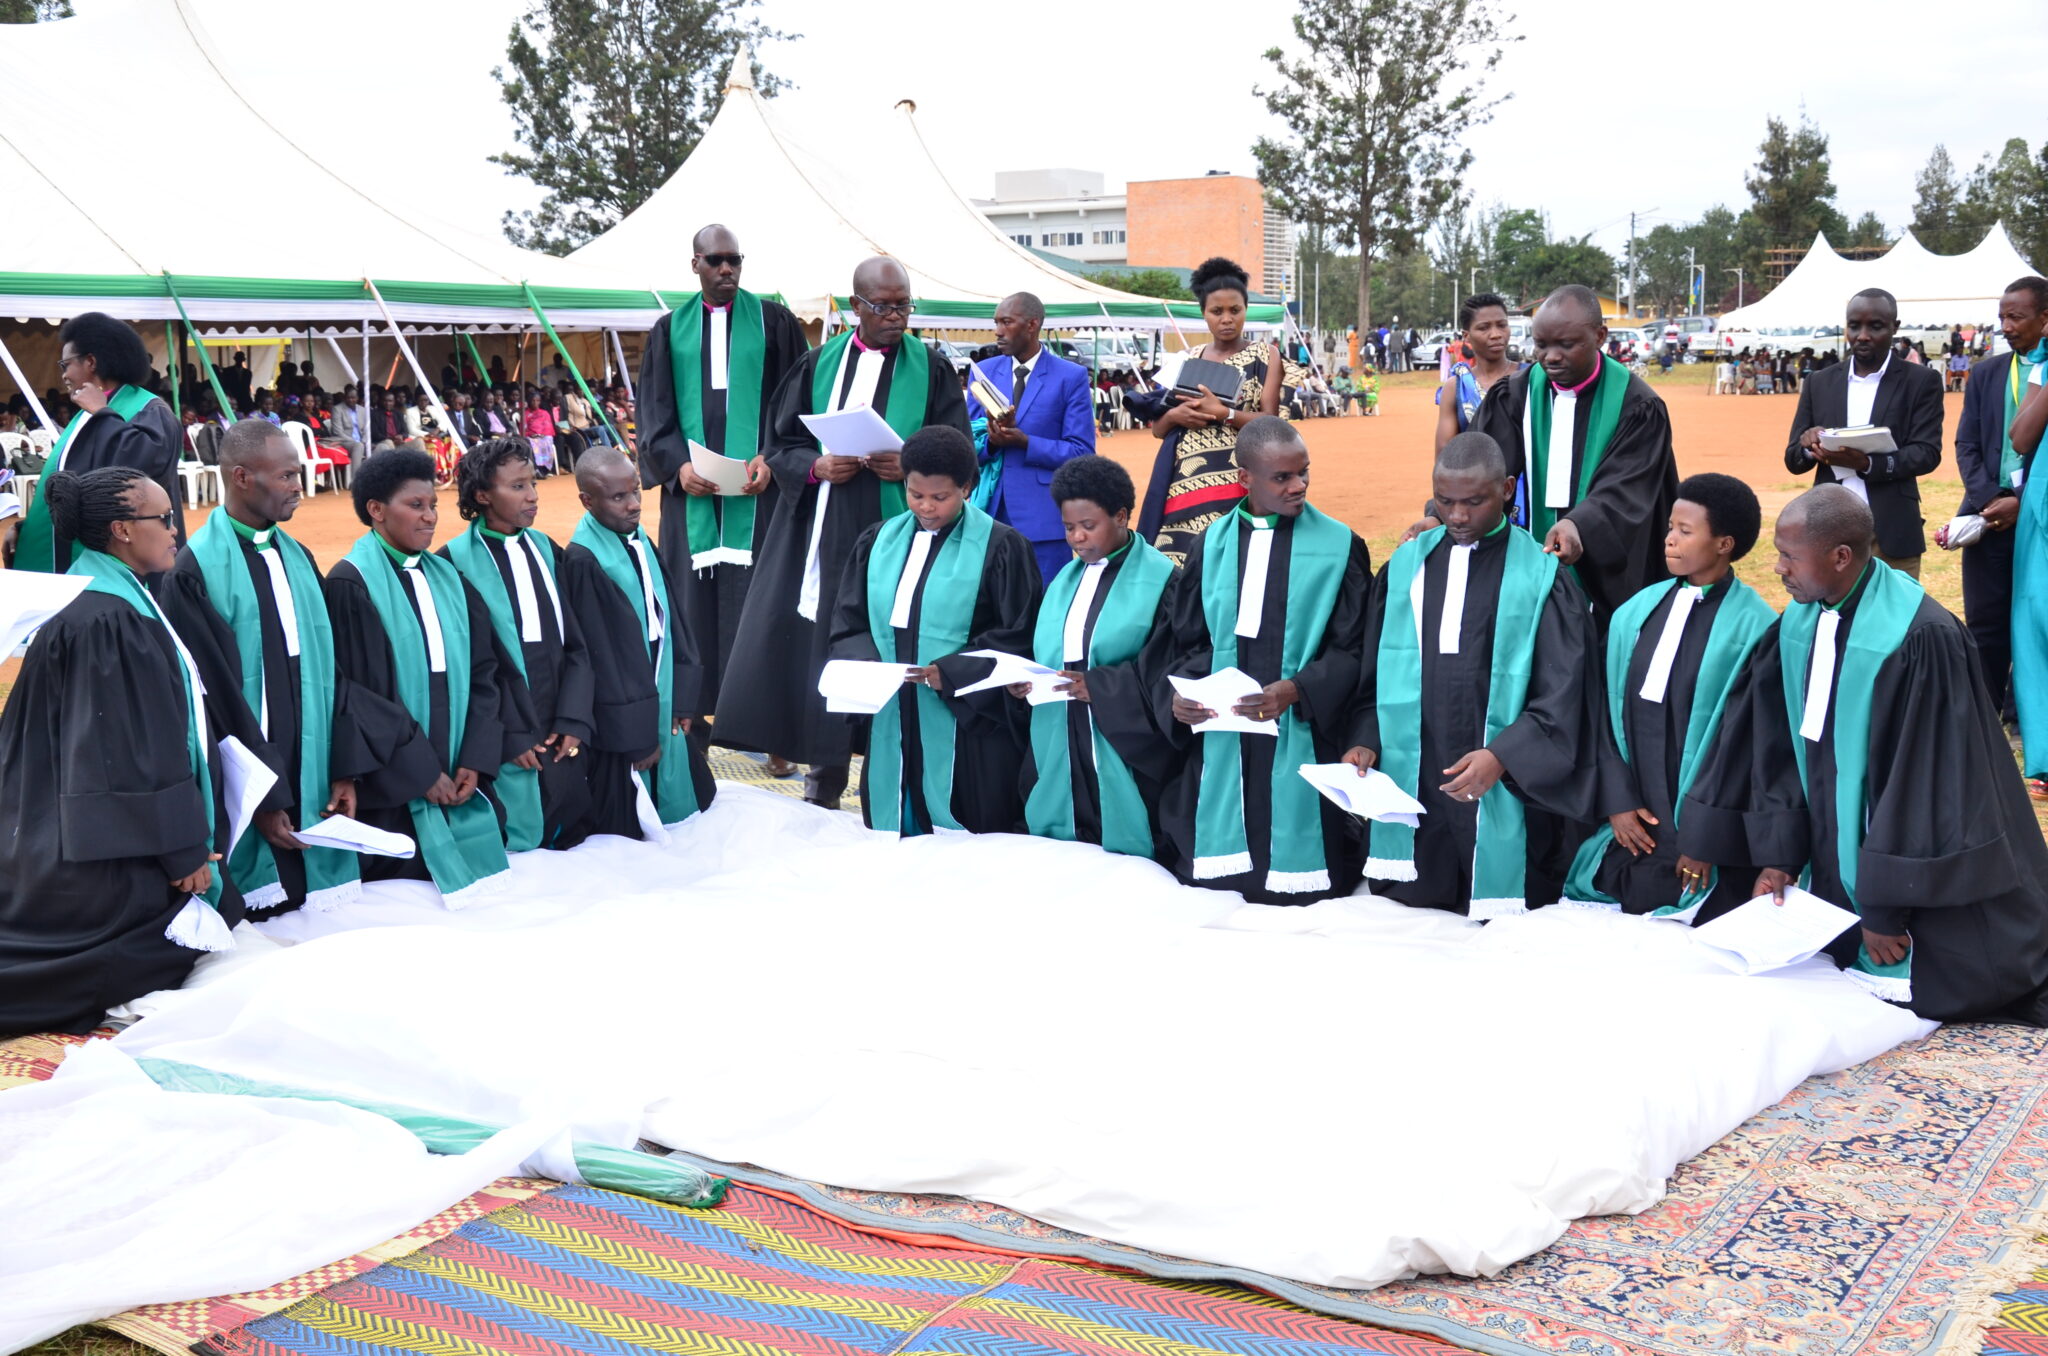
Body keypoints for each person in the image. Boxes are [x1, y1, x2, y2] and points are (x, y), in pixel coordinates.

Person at [1681, 486, 2048, 1023]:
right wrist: (1780, 856)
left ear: (1841, 556)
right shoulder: (1800, 622)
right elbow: (1777, 751)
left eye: (1789, 556)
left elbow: (1926, 791)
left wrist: (1885, 909)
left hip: (1907, 877)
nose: (1777, 568)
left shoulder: (1920, 640)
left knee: (1956, 973)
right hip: (1830, 864)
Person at [714, 255, 970, 809]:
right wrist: (816, 467)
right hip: (824, 527)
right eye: (885, 306)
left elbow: (958, 447)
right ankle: (824, 777)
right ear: (856, 306)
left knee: (885, 639)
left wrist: (909, 461)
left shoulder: (932, 370)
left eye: (905, 305)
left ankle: (892, 776)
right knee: (823, 642)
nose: (898, 316)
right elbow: (780, 443)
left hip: (898, 529)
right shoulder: (818, 364)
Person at [0, 467, 241, 1036]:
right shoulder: (109, 619)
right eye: (162, 518)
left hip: (56, 821)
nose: (177, 528)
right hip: (87, 842)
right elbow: (129, 756)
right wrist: (182, 852)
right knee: (168, 939)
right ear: (122, 531)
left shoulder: (104, 596)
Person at [1345, 432, 1602, 917]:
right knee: (1412, 904)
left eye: (1474, 501)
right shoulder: (1407, 567)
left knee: (1507, 899)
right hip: (1416, 775)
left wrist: (1504, 755)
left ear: (1507, 489)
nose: (1458, 516)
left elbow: (1564, 690)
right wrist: (1367, 737)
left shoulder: (1542, 577)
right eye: (1445, 501)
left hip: (1504, 779)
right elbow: (1375, 673)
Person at [158, 421, 401, 915]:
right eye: (288, 476)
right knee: (268, 914)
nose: (299, 487)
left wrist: (343, 769)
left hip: (311, 759)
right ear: (243, 477)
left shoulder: (297, 555)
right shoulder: (195, 570)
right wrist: (266, 797)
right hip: (252, 766)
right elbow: (216, 700)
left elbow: (333, 674)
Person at [1153, 416, 1370, 903]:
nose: (1299, 486)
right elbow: (1187, 642)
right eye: (1282, 478)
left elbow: (1354, 650)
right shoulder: (1211, 545)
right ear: (1244, 478)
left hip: (1303, 727)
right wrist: (1183, 695)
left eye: (1304, 472)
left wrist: (1297, 689)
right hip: (1225, 735)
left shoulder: (1340, 547)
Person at [1562, 473, 1777, 918]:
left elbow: (1743, 751)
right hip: (1630, 824)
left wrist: (1706, 839)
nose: (1670, 541)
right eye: (1670, 528)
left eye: (1685, 531)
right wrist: (1617, 802)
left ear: (1724, 544)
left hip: (1703, 839)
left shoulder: (1754, 629)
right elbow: (1602, 715)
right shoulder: (1635, 613)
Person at [634, 225, 808, 768]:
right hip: (693, 498)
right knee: (692, 606)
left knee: (766, 606)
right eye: (716, 261)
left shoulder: (775, 323)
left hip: (760, 496)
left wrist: (772, 457)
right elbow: (653, 412)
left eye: (735, 259)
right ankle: (697, 722)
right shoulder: (668, 332)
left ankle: (775, 733)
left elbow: (799, 402)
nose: (727, 269)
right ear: (696, 266)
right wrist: (676, 467)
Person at [827, 426, 1040, 835]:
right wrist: (870, 668)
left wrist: (956, 671)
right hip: (894, 706)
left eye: (940, 497)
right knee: (894, 820)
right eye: (915, 494)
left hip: (966, 717)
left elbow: (1018, 632)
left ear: (966, 487)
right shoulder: (879, 540)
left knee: (965, 825)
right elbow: (849, 619)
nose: (926, 507)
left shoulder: (1002, 547)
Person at [324, 450, 510, 903]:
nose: (429, 517)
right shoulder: (352, 584)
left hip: (459, 773)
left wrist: (475, 757)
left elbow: (485, 670)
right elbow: (360, 697)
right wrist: (422, 772)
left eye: (433, 506)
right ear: (376, 510)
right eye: (416, 506)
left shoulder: (447, 576)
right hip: (396, 791)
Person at [1442, 285, 1678, 627]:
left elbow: (1626, 486)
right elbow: (1482, 466)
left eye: (1566, 345)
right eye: (1541, 345)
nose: (1551, 356)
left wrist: (1578, 524)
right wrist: (1442, 512)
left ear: (1599, 336)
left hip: (1613, 572)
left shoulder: (1637, 406)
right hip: (1537, 557)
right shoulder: (1516, 395)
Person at [1013, 455, 1175, 857]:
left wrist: (1098, 687)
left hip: (1122, 739)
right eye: (1069, 528)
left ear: (1121, 516)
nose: (1077, 538)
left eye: (1089, 526)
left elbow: (1167, 667)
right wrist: (1030, 680)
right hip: (1062, 733)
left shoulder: (1162, 579)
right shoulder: (1064, 580)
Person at [442, 437, 593, 852]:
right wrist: (506, 737)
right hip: (505, 735)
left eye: (533, 484)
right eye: (518, 487)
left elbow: (578, 646)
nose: (532, 497)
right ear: (482, 495)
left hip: (560, 728)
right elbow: (471, 668)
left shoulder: (547, 550)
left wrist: (574, 720)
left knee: (570, 839)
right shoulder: (452, 564)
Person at [560, 448, 715, 837]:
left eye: (636, 492)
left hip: (660, 686)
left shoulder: (637, 536)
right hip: (625, 717)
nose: (633, 505)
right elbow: (601, 659)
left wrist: (681, 697)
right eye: (618, 497)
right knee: (629, 826)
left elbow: (672, 616)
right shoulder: (584, 559)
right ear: (587, 501)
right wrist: (636, 733)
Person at [1132, 258, 1297, 567]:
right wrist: (1174, 417)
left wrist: (1225, 414)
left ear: (1246, 310)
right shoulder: (1188, 359)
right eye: (1216, 311)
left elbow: (1273, 424)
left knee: (1233, 562)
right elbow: (1158, 429)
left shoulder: (1266, 356)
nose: (1226, 319)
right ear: (1203, 314)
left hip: (1239, 479)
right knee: (1182, 566)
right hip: (1185, 482)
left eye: (1235, 310)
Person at [1784, 288, 1945, 580]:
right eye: (1854, 325)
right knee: (1832, 618)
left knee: (1893, 620)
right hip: (1828, 532)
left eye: (1876, 326)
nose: (1863, 335)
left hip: (1891, 532)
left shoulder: (1921, 382)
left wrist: (1868, 464)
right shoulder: (1819, 382)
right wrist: (1809, 446)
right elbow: (1794, 459)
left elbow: (1927, 453)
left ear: (1895, 327)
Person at [7, 313, 184, 572]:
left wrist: (103, 415)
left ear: (91, 361)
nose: (64, 375)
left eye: (65, 365)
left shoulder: (149, 410)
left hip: (117, 569)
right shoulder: (85, 414)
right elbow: (78, 483)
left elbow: (145, 473)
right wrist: (29, 528)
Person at [1955, 277, 2047, 720]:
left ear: (2045, 318)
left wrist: (2023, 501)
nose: (2005, 326)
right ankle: (1986, 713)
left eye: (2017, 317)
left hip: (2037, 517)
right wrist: (1990, 498)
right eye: (2002, 317)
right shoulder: (1988, 373)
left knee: (2032, 623)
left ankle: (2021, 714)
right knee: (1985, 622)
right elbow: (1966, 445)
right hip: (1989, 517)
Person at [964, 291, 1097, 583]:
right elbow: (967, 445)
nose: (998, 331)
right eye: (996, 322)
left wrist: (1025, 442)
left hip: (1044, 517)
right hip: (987, 513)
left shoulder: (1070, 376)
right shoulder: (982, 373)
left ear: (1032, 324)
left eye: (1006, 322)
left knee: (1045, 606)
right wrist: (991, 442)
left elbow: (1082, 453)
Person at [1435, 293, 1517, 451]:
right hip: (1474, 475)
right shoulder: (1456, 387)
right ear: (1467, 336)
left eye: (1501, 325)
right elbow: (1444, 453)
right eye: (1484, 328)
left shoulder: (1531, 378)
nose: (1496, 334)